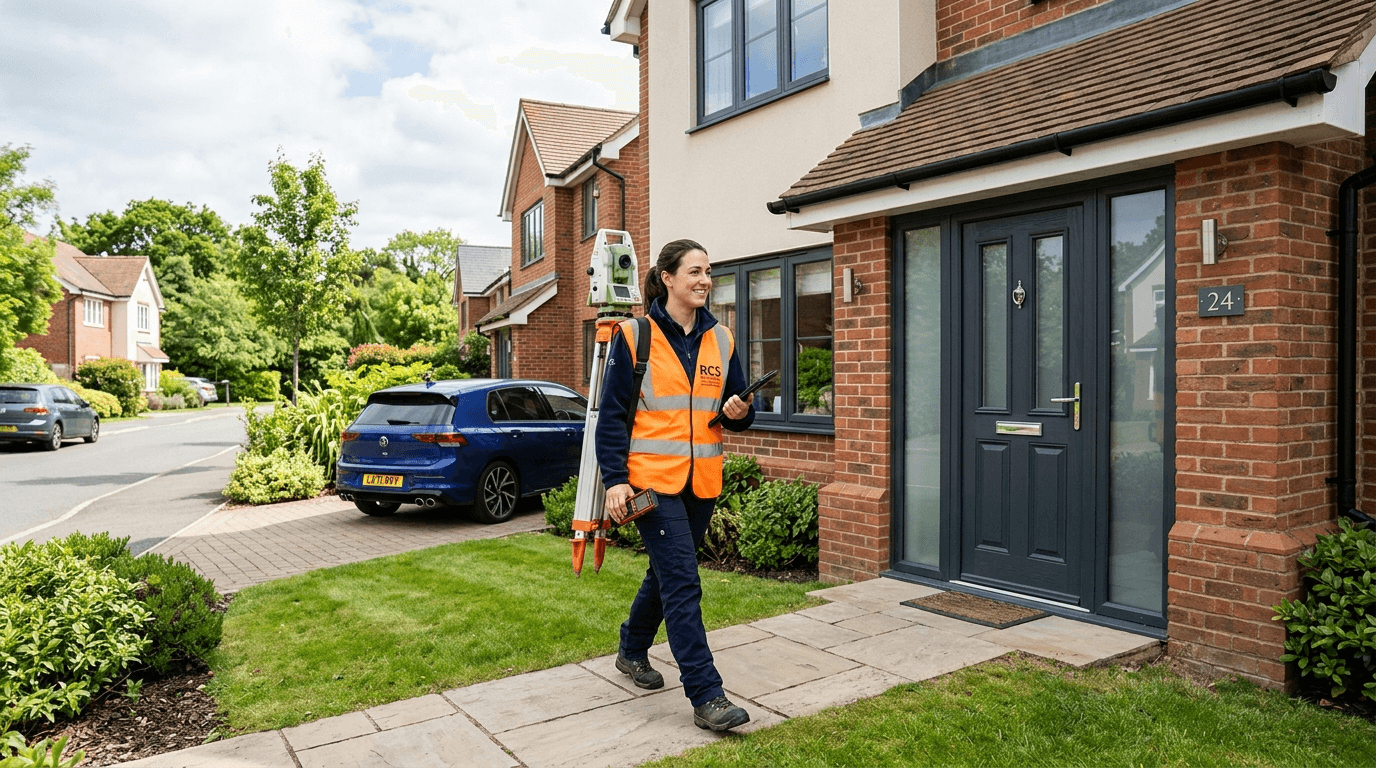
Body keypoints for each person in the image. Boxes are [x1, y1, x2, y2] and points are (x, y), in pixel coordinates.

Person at [596, 238, 756, 732]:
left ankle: (631, 648)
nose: (705, 280)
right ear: (667, 278)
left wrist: (739, 411)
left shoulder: (722, 338)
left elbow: (739, 411)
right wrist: (615, 481)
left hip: (701, 481)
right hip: (652, 482)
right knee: (684, 581)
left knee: (665, 574)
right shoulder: (634, 336)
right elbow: (611, 418)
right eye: (695, 271)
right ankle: (707, 696)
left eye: (708, 271)